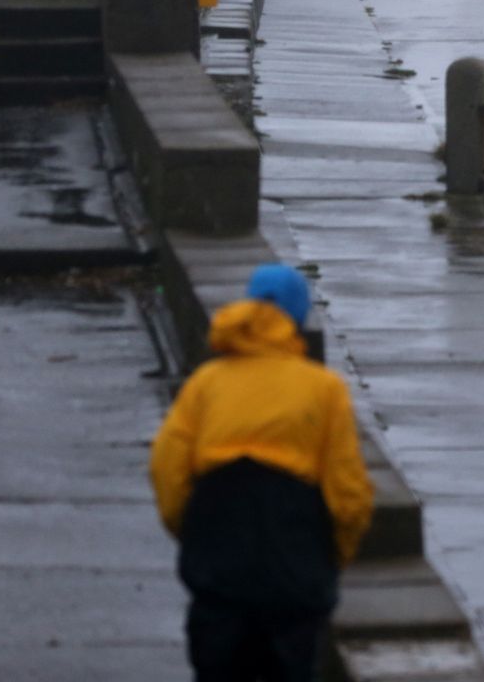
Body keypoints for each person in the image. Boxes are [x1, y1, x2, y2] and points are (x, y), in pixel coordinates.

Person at [150, 264, 374, 681]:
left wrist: (195, 533)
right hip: (293, 558)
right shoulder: (323, 389)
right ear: (298, 319)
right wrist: (331, 557)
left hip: (220, 550)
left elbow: (168, 469)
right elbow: (349, 493)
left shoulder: (207, 382)